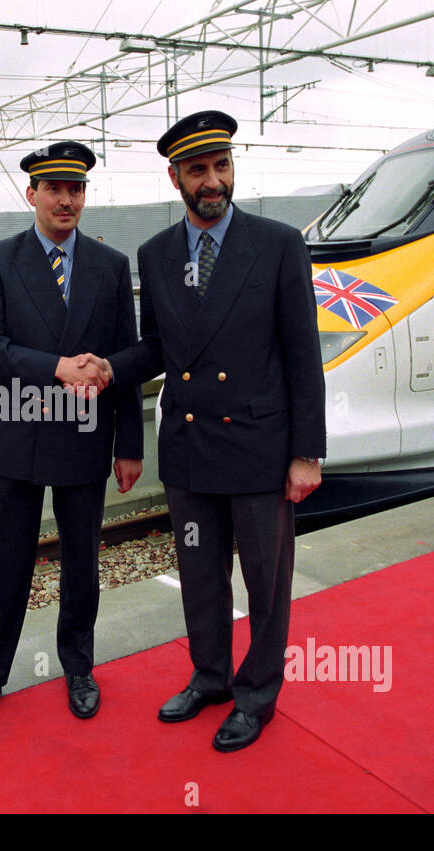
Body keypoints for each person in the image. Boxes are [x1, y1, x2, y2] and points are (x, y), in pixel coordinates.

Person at [100, 111, 326, 752]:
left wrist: (306, 453)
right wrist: (106, 369)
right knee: (200, 574)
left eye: (221, 165)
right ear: (175, 177)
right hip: (192, 447)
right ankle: (210, 676)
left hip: (259, 448)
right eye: (197, 169)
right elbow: (158, 349)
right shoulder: (156, 254)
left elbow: (302, 354)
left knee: (265, 582)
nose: (213, 180)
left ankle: (257, 695)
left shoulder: (278, 244)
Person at [0, 140, 144, 731]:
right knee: (3, 565)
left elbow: (125, 361)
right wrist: (57, 367)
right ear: (30, 193)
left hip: (86, 437)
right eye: (54, 189)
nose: (66, 199)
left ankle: (78, 668)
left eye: (76, 189)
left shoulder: (110, 268)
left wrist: (129, 443)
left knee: (82, 562)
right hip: (17, 433)